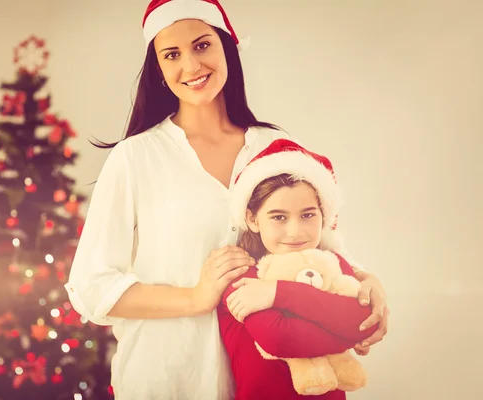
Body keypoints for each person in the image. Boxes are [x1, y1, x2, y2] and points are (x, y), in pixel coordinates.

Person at [64, 1, 388, 398]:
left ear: (226, 48)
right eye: (172, 54)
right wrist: (196, 298)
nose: (191, 66)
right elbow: (91, 286)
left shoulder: (276, 150)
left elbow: (315, 246)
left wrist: (365, 283)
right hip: (168, 377)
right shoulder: (136, 157)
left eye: (202, 46)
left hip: (270, 380)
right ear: (160, 70)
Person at [218, 139, 381, 399]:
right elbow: (280, 340)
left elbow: (363, 323)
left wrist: (277, 293)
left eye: (307, 215)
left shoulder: (334, 264)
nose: (295, 232)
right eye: (278, 217)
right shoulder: (242, 273)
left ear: (323, 215)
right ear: (252, 219)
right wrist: (344, 332)